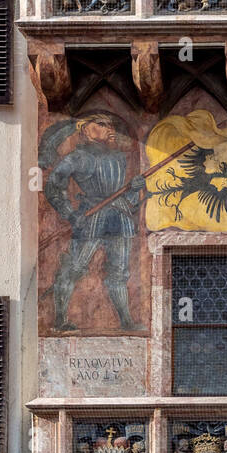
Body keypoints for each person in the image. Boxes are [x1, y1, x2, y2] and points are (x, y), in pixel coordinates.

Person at [44, 113, 147, 331]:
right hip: (90, 219)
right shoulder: (78, 158)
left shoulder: (119, 158)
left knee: (119, 272)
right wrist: (70, 214)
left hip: (119, 218)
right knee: (73, 268)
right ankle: (61, 320)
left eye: (111, 124)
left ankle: (126, 320)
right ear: (85, 129)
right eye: (101, 124)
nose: (109, 128)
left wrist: (134, 190)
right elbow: (53, 186)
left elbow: (125, 199)